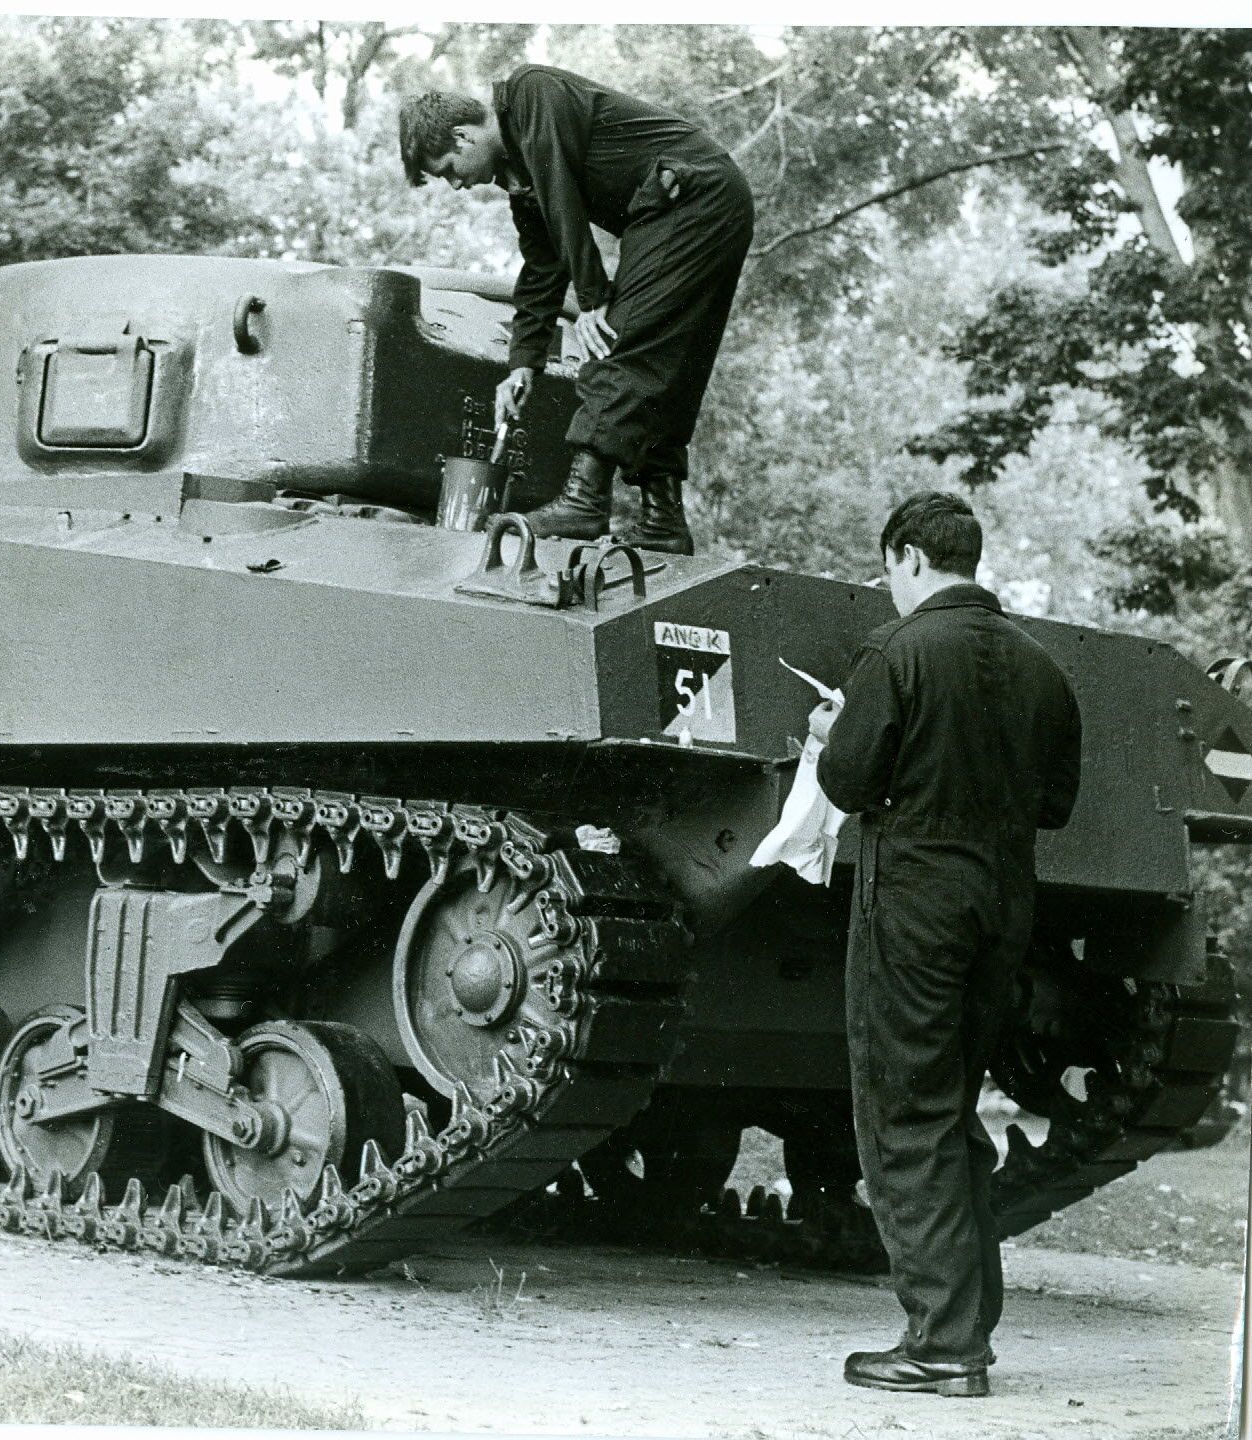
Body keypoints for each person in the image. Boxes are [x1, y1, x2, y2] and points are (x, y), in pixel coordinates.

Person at [812, 492, 1081, 1397]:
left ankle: (942, 1345)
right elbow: (1056, 805)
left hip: (915, 903)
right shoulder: (1043, 668)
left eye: (887, 569)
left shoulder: (898, 651)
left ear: (908, 557)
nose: (887, 586)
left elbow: (848, 783)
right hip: (1002, 903)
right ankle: (964, 1330)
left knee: (903, 1113)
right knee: (953, 1108)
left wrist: (827, 735)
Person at [398, 65, 754, 553]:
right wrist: (522, 365)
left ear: (463, 136)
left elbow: (560, 194)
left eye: (449, 171)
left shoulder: (531, 94)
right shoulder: (523, 180)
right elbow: (542, 270)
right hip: (698, 205)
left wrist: (593, 298)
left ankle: (583, 501)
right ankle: (663, 518)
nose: (457, 186)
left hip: (692, 196)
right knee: (668, 365)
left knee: (618, 342)